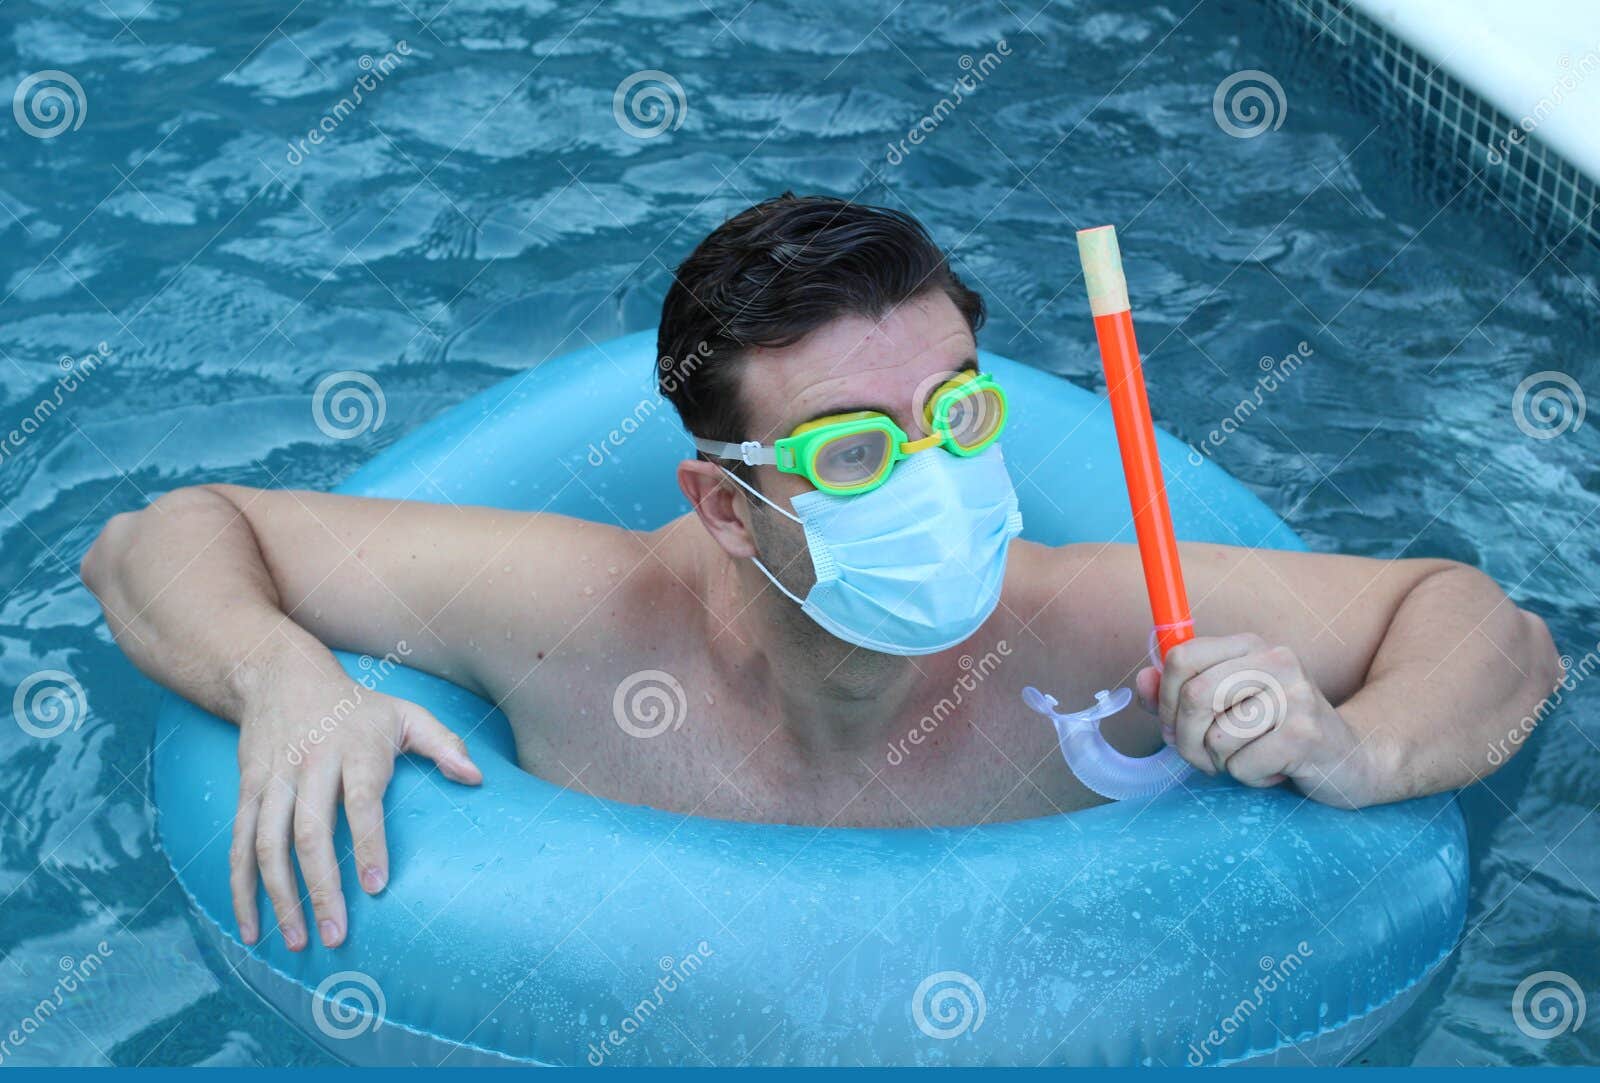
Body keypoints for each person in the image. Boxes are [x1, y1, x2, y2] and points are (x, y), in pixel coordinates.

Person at [81, 193, 1559, 954]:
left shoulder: (1092, 628)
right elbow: (156, 532)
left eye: (959, 413)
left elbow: (1489, 625)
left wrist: (1355, 748)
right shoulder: (569, 622)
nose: (938, 478)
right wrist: (282, 673)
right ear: (725, 509)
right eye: (856, 454)